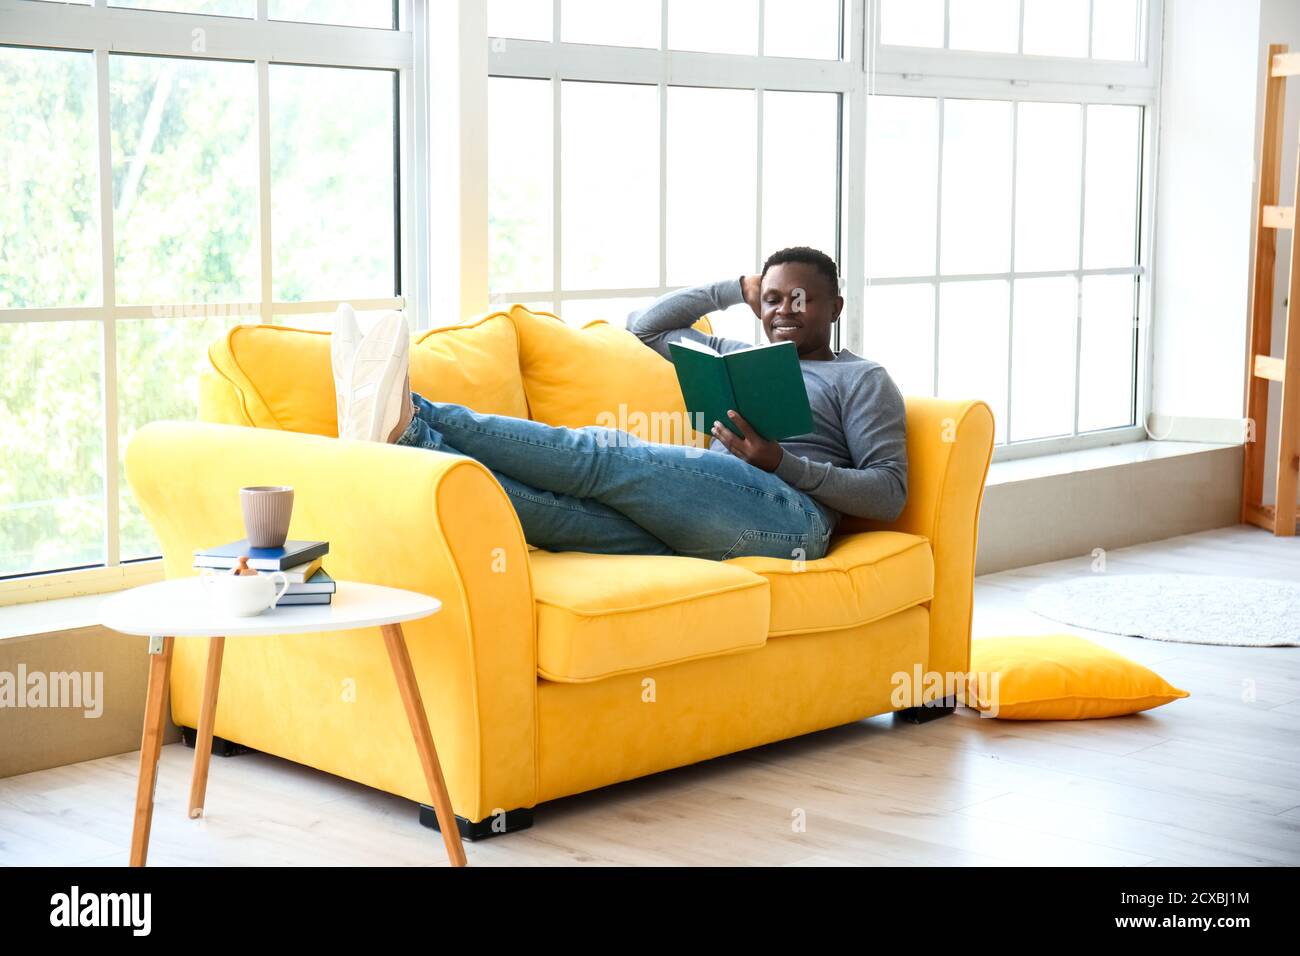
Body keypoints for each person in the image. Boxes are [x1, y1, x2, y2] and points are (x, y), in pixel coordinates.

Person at [330, 246, 907, 562]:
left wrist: (782, 463)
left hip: (792, 521)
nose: (784, 309)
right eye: (773, 298)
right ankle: (407, 437)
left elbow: (888, 492)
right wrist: (734, 289)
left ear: (834, 304)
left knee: (606, 455)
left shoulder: (861, 378)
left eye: (801, 298)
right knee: (552, 514)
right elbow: (646, 330)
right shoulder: (731, 352)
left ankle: (412, 409)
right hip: (705, 511)